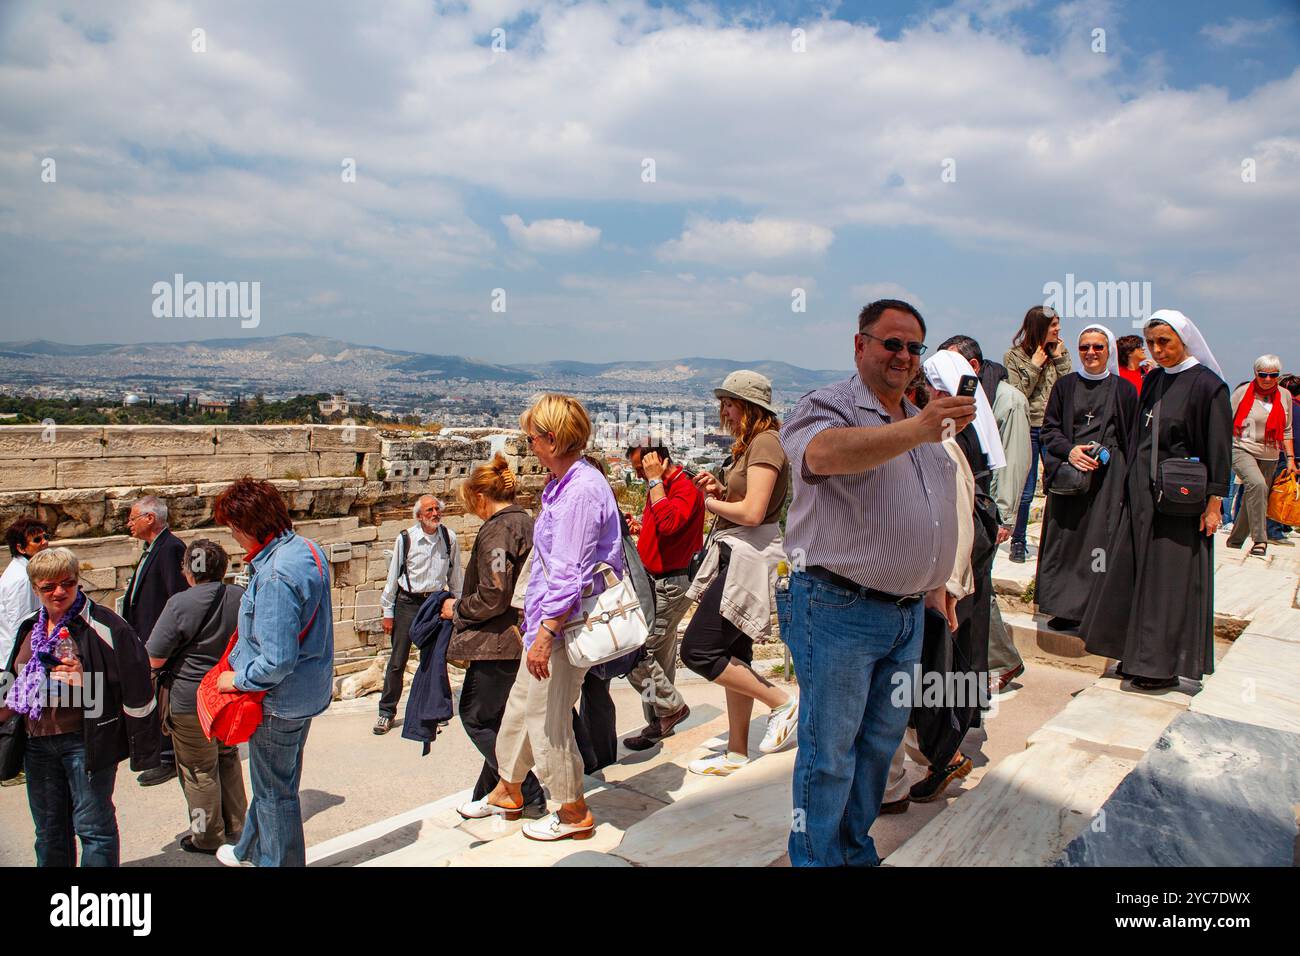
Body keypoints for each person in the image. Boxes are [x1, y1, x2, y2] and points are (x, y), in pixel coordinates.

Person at [780, 299, 974, 866]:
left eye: (915, 346)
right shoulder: (830, 404)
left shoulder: (916, 413)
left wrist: (938, 582)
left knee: (877, 748)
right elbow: (819, 455)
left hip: (906, 614)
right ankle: (816, 858)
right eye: (892, 343)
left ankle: (852, 849)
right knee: (829, 752)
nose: (905, 356)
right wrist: (917, 430)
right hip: (837, 606)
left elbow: (937, 503)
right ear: (860, 344)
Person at [463, 395, 623, 842]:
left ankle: (573, 811)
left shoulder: (581, 491)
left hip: (563, 624)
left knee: (547, 717)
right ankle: (507, 789)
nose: (529, 445)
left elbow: (570, 571)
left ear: (552, 439)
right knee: (520, 706)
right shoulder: (561, 484)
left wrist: (545, 631)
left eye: (532, 437)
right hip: (545, 621)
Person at [1081, 310, 1232, 690]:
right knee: (1133, 577)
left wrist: (1214, 504)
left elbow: (1218, 450)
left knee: (1167, 582)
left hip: (1181, 504)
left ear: (1184, 339)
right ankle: (1133, 655)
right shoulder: (1154, 381)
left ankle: (1159, 666)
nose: (1158, 350)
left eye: (1165, 342)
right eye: (1151, 343)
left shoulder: (1207, 386)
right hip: (1142, 497)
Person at [1, 547, 161, 866]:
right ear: (36, 589)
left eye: (67, 583)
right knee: (48, 832)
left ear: (78, 582)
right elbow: (12, 686)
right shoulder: (29, 626)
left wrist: (86, 682)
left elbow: (137, 685)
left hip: (84, 742)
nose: (59, 592)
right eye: (49, 586)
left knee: (94, 829)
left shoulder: (107, 626)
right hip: (37, 744)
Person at [212, 478, 334, 867]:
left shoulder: (276, 575)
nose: (232, 537)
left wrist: (237, 679)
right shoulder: (308, 550)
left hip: (277, 701)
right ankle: (248, 848)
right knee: (278, 781)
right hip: (307, 692)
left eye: (233, 528)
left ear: (248, 526)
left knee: (273, 794)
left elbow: (277, 659)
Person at [680, 371, 797, 777]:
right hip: (743, 552)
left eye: (729, 403)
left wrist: (710, 504)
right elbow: (746, 500)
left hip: (745, 557)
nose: (723, 411)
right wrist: (722, 487)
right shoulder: (752, 445)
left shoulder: (766, 443)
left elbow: (752, 511)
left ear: (749, 407)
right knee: (737, 655)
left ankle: (782, 701)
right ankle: (736, 751)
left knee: (697, 650)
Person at [446, 453, 545, 817]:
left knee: (477, 717)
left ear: (480, 497)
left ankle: (526, 791)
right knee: (502, 723)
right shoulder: (525, 522)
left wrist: (457, 608)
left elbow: (495, 591)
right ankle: (488, 795)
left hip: (498, 642)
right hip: (519, 636)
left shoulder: (498, 530)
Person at [936, 337, 1028, 692]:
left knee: (973, 598)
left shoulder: (1008, 400)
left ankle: (998, 665)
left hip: (979, 515)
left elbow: (1013, 460)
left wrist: (1004, 515)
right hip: (975, 514)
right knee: (976, 597)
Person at [145, 538, 248, 854]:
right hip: (227, 695)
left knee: (198, 771)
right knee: (227, 759)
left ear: (189, 570)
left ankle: (206, 835)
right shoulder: (241, 597)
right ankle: (238, 825)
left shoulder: (179, 604)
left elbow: (154, 659)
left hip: (191, 700)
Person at [1036, 325, 1139, 631]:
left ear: (1109, 351)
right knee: (1065, 542)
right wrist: (1070, 451)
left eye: (1097, 347)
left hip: (1107, 482)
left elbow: (1132, 437)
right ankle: (1063, 608)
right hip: (1069, 478)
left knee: (1099, 545)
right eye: (1084, 348)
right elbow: (1049, 430)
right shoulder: (1065, 386)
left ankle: (1095, 609)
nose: (1091, 353)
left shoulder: (1124, 390)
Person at [620, 438, 704, 751]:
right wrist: (641, 525)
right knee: (661, 656)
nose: (639, 475)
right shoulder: (661, 487)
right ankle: (658, 723)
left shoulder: (684, 486)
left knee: (639, 653)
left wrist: (655, 481)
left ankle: (670, 708)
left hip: (671, 583)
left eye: (641, 468)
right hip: (656, 580)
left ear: (657, 459)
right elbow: (662, 524)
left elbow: (670, 525)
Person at [375, 495, 463, 735]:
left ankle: (435, 710)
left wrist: (458, 607)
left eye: (437, 509)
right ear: (419, 516)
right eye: (429, 510)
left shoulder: (449, 538)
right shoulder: (406, 539)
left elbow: (455, 576)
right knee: (398, 659)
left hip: (435, 603)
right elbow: (393, 576)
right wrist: (388, 611)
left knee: (434, 660)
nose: (435, 513)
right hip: (408, 603)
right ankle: (386, 712)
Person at [122, 495, 189, 786]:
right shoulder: (154, 549)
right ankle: (160, 753)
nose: (129, 524)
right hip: (146, 637)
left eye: (133, 518)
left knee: (161, 697)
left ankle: (169, 757)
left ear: (150, 518)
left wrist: (169, 638)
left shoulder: (171, 548)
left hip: (161, 640)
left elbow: (176, 597)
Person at [1004, 306, 1073, 562]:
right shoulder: (1014, 356)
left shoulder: (1059, 354)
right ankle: (1018, 542)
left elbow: (1070, 388)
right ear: (1040, 326)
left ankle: (1057, 543)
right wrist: (1033, 367)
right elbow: (1016, 393)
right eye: (1054, 324)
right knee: (1026, 490)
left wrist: (1061, 359)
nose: (1058, 329)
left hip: (1055, 429)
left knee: (1060, 486)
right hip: (1029, 428)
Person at [1225, 355, 1295, 556]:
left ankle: (1235, 541)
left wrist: (1290, 458)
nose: (1267, 379)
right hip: (1242, 447)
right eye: (1262, 374)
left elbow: (1287, 430)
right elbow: (1226, 420)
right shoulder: (1242, 392)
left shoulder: (1284, 396)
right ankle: (1260, 540)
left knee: (1254, 494)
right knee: (1257, 485)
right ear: (1255, 373)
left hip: (1271, 453)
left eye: (1273, 375)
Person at [1, 518, 49, 684]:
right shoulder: (22, 579)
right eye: (37, 540)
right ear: (21, 548)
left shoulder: (27, 572)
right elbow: (21, 624)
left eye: (45, 537)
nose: (45, 543)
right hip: (15, 660)